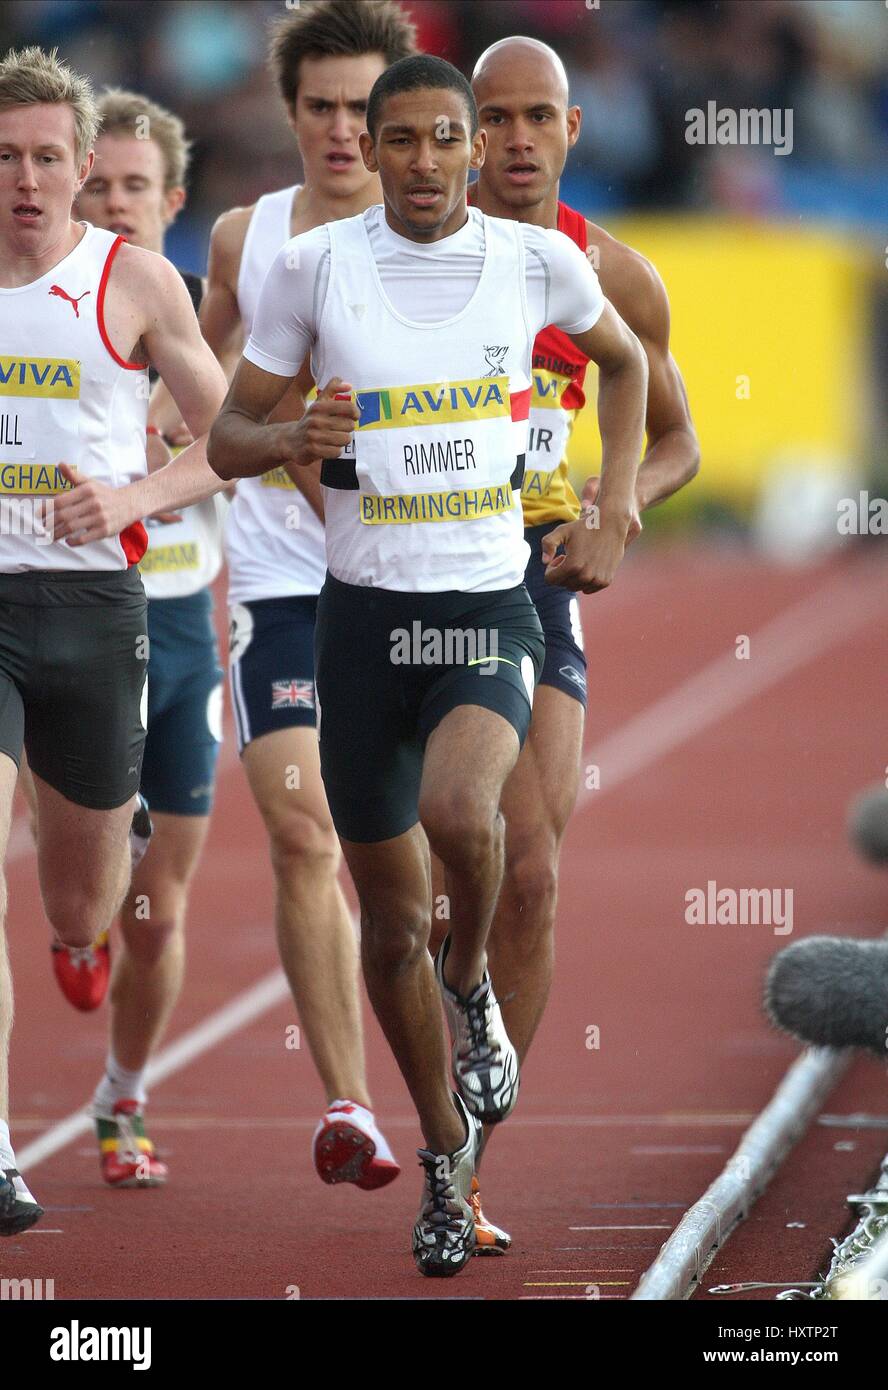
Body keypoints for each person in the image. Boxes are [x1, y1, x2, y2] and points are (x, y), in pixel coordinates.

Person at [206, 54, 648, 1277]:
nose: (420, 161)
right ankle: (445, 1160)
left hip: (486, 605)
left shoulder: (537, 262)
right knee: (388, 924)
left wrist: (613, 504)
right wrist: (292, 430)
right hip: (361, 621)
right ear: (375, 148)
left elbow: (628, 363)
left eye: (441, 139)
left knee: (468, 815)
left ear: (467, 149)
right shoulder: (312, 268)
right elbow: (227, 433)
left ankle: (474, 987)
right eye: (395, 140)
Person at [447, 34, 700, 1251]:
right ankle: (439, 1002)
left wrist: (615, 508)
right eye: (491, 119)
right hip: (412, 578)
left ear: (574, 129)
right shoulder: (419, 260)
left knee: (532, 874)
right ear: (463, 133)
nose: (516, 141)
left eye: (538, 116)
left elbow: (678, 440)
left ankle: (467, 1166)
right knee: (438, 879)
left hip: (537, 574)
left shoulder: (618, 275)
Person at [164, 0, 418, 1190]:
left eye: (363, 109)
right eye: (318, 107)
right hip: (281, 582)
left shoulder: (447, 247)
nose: (341, 131)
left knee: (420, 856)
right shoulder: (242, 238)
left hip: (420, 582)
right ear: (289, 111)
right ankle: (351, 1108)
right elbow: (205, 401)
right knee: (306, 831)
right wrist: (145, 474)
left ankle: (455, 1082)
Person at [0, 45, 227, 1233]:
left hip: (94, 609)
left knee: (88, 911)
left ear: (82, 169)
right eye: (4, 157)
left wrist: (132, 501)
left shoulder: (135, 283)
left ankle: (101, 856)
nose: (25, 179)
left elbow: (227, 436)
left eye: (46, 157)